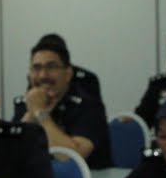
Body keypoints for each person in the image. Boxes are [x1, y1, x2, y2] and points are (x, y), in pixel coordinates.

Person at [15, 39, 111, 169]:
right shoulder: (27, 103)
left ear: (68, 74)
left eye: (51, 67)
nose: (43, 75)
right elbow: (10, 153)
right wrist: (30, 115)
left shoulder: (89, 107)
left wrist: (40, 113)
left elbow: (72, 157)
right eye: (36, 68)